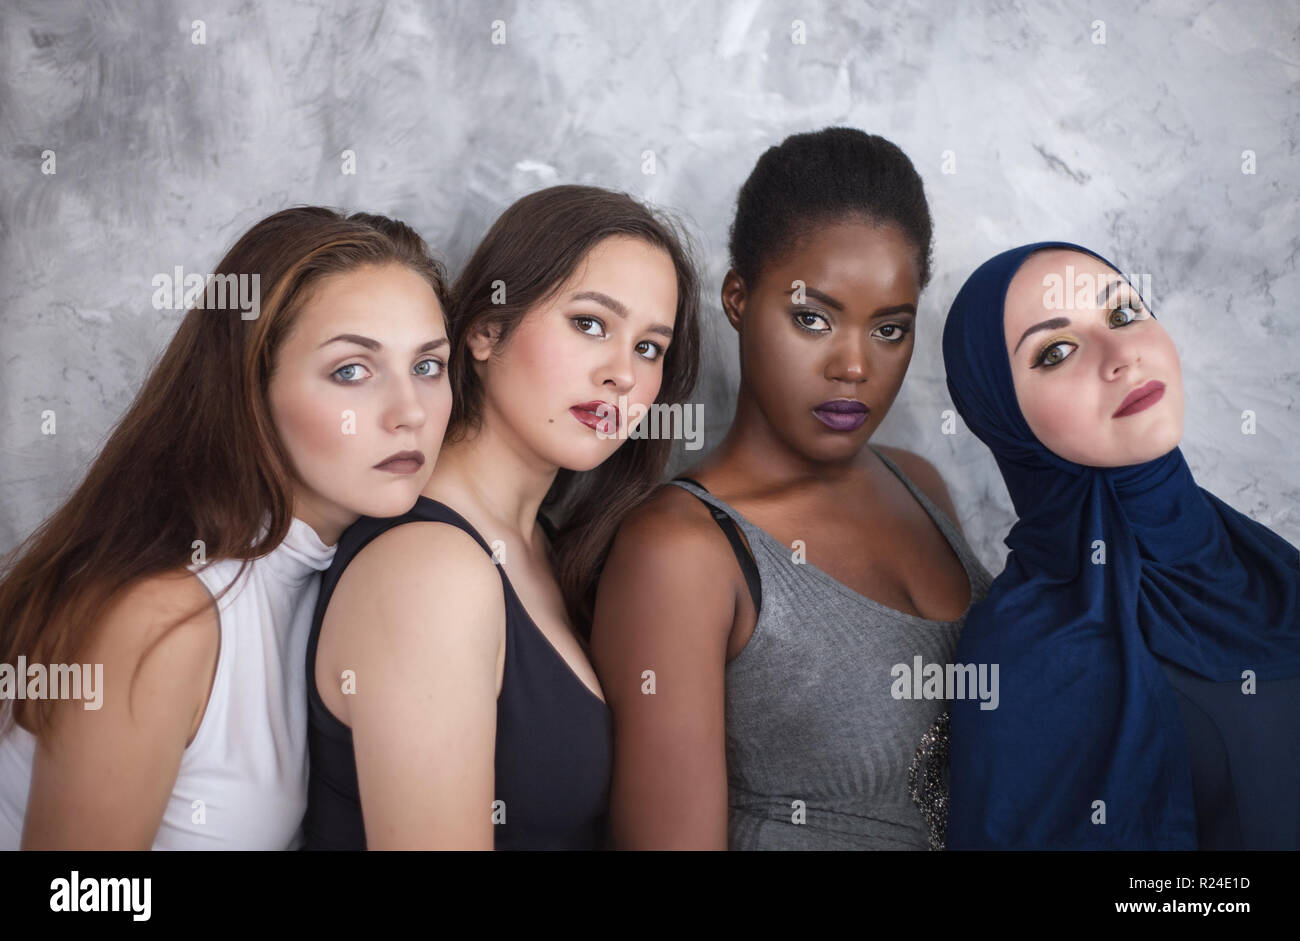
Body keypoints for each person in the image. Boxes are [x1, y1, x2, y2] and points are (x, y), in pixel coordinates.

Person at [590, 127, 993, 850]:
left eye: (889, 329)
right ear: (738, 298)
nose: (853, 367)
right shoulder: (681, 551)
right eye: (813, 318)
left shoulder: (920, 481)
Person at [0, 207, 451, 849]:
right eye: (351, 370)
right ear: (250, 390)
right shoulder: (162, 617)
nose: (410, 412)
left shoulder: (357, 577)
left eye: (429, 366)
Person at [303, 184, 701, 849]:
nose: (623, 376)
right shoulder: (429, 570)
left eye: (650, 348)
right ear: (487, 330)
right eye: (590, 323)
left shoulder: (542, 543)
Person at [942, 241, 1300, 849]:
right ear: (1001, 413)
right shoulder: (1027, 651)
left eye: (1123, 314)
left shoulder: (1266, 563)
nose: (1121, 357)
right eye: (1056, 352)